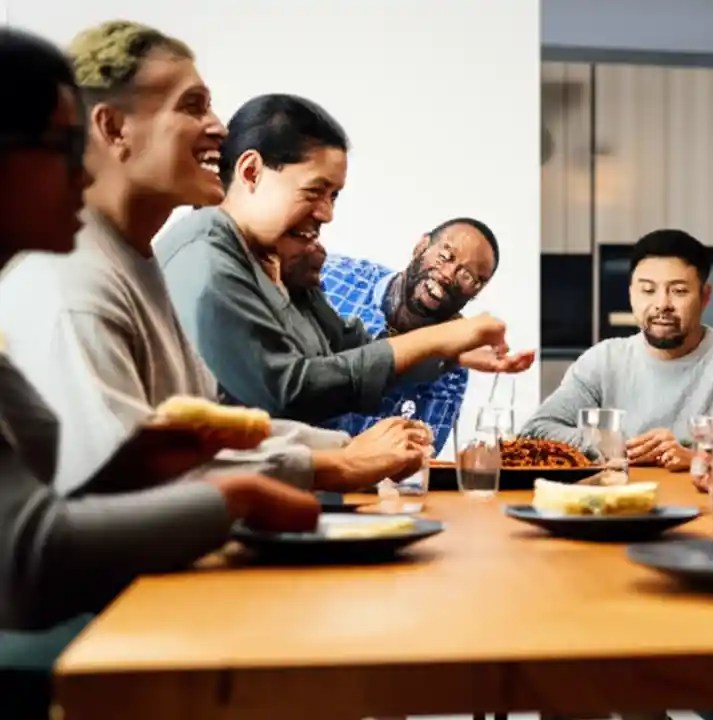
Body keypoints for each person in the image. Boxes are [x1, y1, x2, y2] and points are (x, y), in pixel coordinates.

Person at [0, 27, 320, 718]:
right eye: (60, 150)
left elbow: (83, 480)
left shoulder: (134, 262)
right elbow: (30, 559)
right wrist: (241, 495)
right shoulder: (62, 289)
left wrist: (146, 461)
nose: (83, 175)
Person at [0, 21, 427, 495]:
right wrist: (334, 465)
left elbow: (206, 437)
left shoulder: (135, 261)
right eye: (192, 106)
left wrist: (344, 449)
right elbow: (118, 476)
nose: (221, 128)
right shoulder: (75, 281)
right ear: (113, 128)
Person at [153, 93, 521, 429]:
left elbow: (346, 348)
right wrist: (443, 337)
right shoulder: (205, 262)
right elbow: (290, 392)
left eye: (334, 196)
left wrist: (452, 353)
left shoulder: (277, 258)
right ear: (251, 172)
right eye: (314, 191)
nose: (327, 214)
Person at [523, 229, 713, 468]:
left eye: (679, 291)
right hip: (618, 509)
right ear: (631, 294)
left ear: (705, 297)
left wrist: (697, 457)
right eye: (648, 290)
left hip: (710, 511)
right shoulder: (603, 360)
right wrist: (620, 445)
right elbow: (536, 431)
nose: (662, 304)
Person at [305, 216, 535, 454]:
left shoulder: (452, 363)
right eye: (445, 256)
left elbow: (419, 461)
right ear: (421, 247)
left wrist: (452, 358)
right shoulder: (329, 278)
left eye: (466, 276)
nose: (448, 274)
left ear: (477, 291)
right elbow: (334, 372)